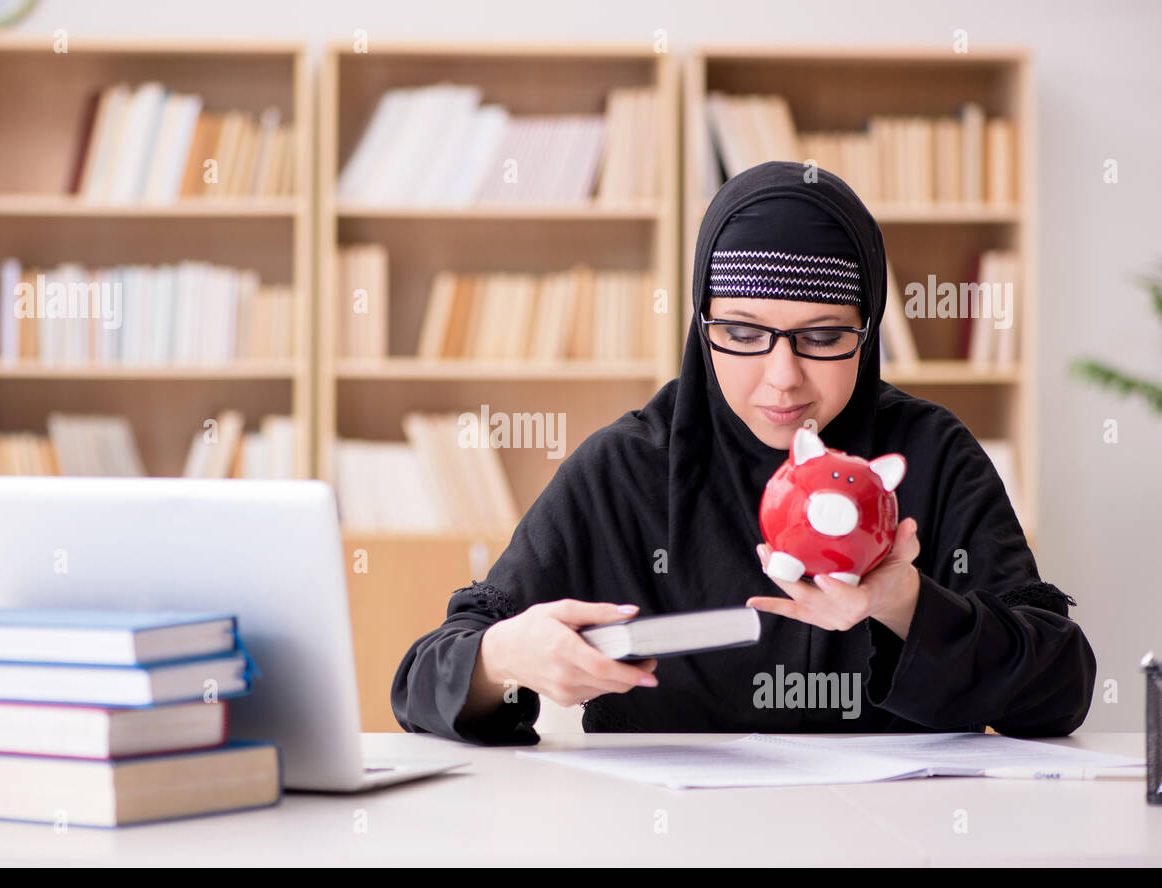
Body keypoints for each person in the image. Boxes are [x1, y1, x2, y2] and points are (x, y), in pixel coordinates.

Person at [390, 160, 1095, 745]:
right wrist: (503, 658)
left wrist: (907, 603)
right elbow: (421, 678)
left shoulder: (933, 457)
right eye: (743, 331)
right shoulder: (626, 470)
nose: (782, 376)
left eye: (821, 336)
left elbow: (1061, 688)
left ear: (868, 328)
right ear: (702, 324)